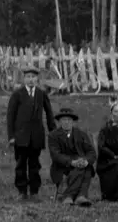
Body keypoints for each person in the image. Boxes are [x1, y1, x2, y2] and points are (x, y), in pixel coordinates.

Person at [6, 65, 56, 201]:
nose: (30, 80)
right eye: (28, 77)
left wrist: (54, 132)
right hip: (21, 137)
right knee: (21, 164)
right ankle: (22, 192)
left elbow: (49, 114)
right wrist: (11, 137)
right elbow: (10, 117)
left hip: (36, 136)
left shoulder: (41, 94)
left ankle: (34, 192)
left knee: (34, 165)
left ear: (37, 79)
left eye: (33, 77)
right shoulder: (17, 94)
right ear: (24, 79)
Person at [48, 107, 96, 207]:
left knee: (87, 167)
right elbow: (56, 155)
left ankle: (74, 197)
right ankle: (75, 196)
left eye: (69, 120)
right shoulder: (53, 136)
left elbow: (91, 152)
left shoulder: (81, 134)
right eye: (64, 120)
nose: (66, 122)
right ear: (60, 122)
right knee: (82, 169)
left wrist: (86, 161)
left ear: (73, 122)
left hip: (80, 164)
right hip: (61, 168)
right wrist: (72, 162)